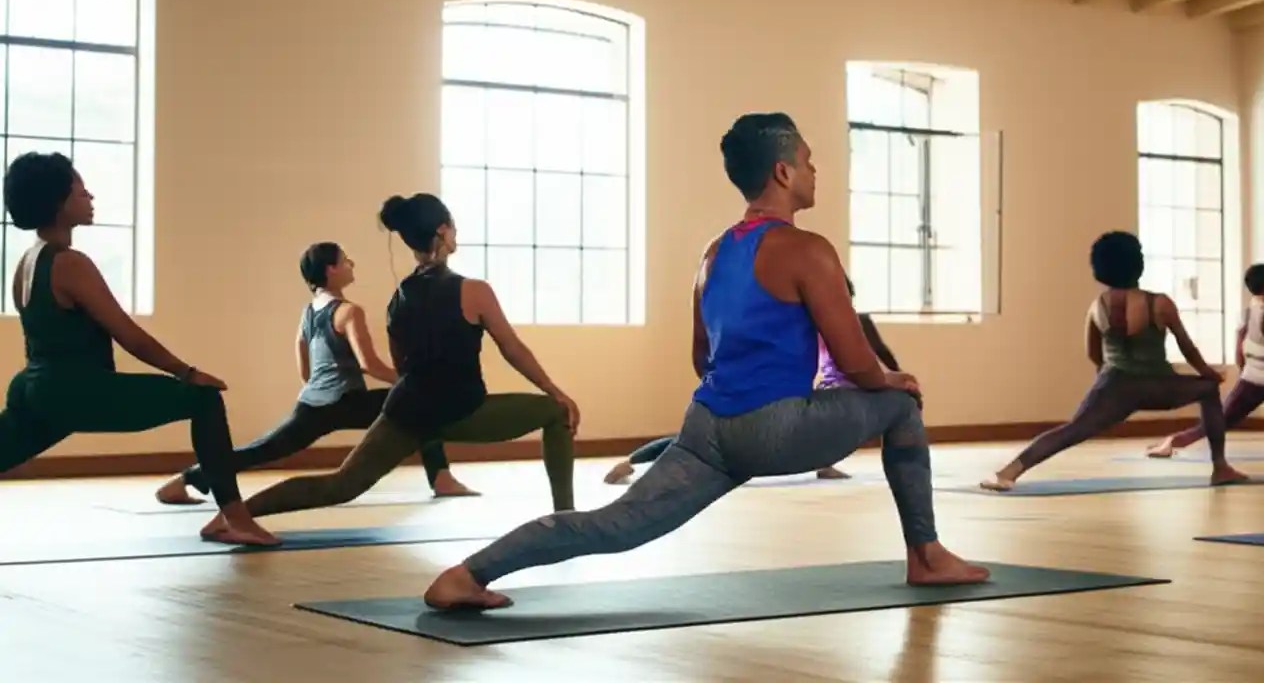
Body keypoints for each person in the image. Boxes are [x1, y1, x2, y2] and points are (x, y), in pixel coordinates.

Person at [423, 112, 989, 610]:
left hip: (706, 427)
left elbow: (702, 357)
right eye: (809, 161)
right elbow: (856, 361)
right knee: (900, 405)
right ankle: (926, 555)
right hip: (775, 429)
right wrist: (893, 378)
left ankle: (465, 575)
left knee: (616, 525)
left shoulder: (713, 253)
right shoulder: (808, 250)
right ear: (784, 172)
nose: (816, 171)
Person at [199, 193, 580, 535]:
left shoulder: (398, 298)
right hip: (460, 412)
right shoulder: (474, 290)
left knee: (341, 485)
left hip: (404, 412)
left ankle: (234, 515)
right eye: (453, 227)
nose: (455, 233)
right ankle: (566, 517)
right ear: (443, 231)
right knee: (555, 411)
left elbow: (403, 367)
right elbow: (512, 348)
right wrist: (555, 390)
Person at [0, 152, 277, 545]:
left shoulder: (26, 262)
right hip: (73, 390)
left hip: (32, 388)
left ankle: (232, 518)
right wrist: (187, 372)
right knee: (203, 400)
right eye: (80, 191)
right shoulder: (70, 264)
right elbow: (129, 335)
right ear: (58, 203)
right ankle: (235, 519)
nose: (90, 197)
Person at [154, 242, 476, 505]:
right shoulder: (349, 312)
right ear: (330, 270)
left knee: (265, 448)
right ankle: (442, 478)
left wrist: (320, 391)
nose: (351, 264)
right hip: (345, 400)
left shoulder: (309, 311)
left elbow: (304, 366)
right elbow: (369, 364)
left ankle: (184, 480)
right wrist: (409, 382)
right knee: (419, 404)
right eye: (345, 260)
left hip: (314, 402)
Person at [981, 231, 1249, 491]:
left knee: (1073, 430)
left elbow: (1093, 353)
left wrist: (1105, 384)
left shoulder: (1097, 306)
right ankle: (1220, 467)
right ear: (1138, 264)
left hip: (1115, 385)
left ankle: (1008, 472)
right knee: (1207, 389)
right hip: (1158, 386)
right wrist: (1208, 373)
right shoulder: (1160, 303)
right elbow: (1187, 347)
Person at [602, 275, 901, 484]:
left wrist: (893, 374)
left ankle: (825, 463)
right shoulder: (815, 321)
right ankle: (634, 460)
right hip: (826, 393)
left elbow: (877, 353)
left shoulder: (837, 320)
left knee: (700, 440)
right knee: (701, 441)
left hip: (824, 392)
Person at [1147, 263, 1264, 458]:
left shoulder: (1245, 313)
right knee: (1220, 421)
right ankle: (1173, 441)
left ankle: (1173, 442)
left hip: (1251, 378)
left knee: (1220, 421)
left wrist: (1244, 372)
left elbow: (1239, 349)